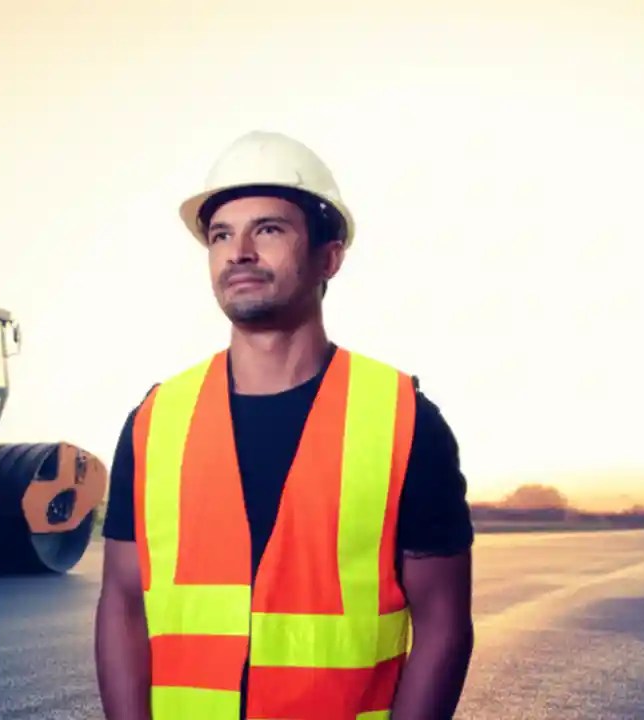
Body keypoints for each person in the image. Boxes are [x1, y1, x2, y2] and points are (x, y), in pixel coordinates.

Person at [93, 130, 475, 720]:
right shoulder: (154, 420)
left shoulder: (403, 420)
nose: (238, 251)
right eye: (221, 235)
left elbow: (445, 627)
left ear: (330, 256)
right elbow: (122, 602)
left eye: (268, 229)